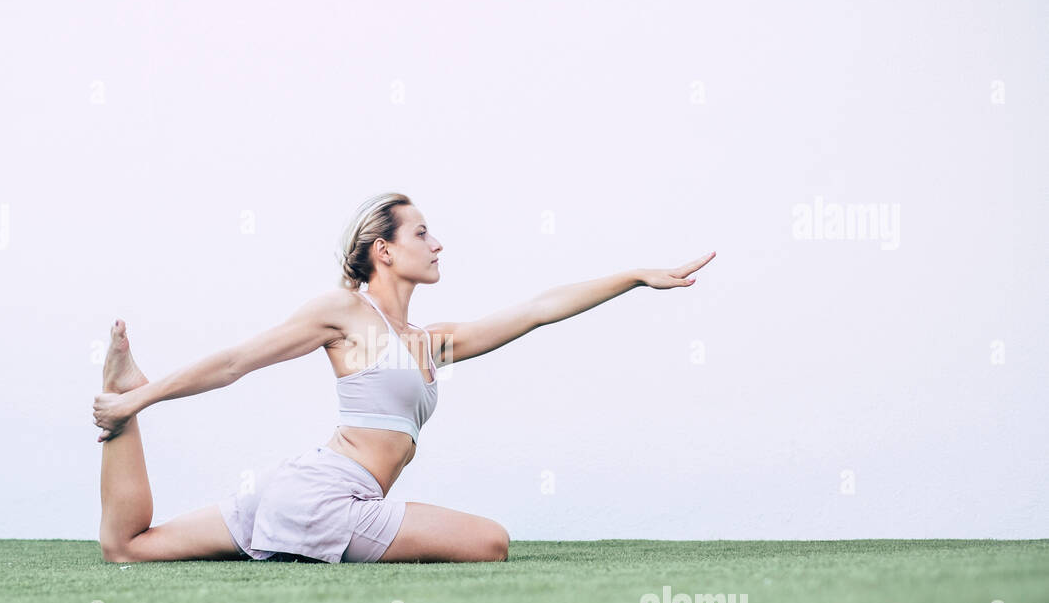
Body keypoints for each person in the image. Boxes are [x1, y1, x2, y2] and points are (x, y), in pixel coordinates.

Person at [92, 192, 714, 564]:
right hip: (324, 496)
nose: (438, 243)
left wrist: (633, 276)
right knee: (491, 542)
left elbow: (536, 310)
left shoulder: (428, 343)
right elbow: (236, 361)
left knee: (129, 549)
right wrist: (147, 396)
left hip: (315, 490)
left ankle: (123, 398)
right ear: (384, 251)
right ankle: (130, 396)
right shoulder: (343, 313)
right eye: (422, 233)